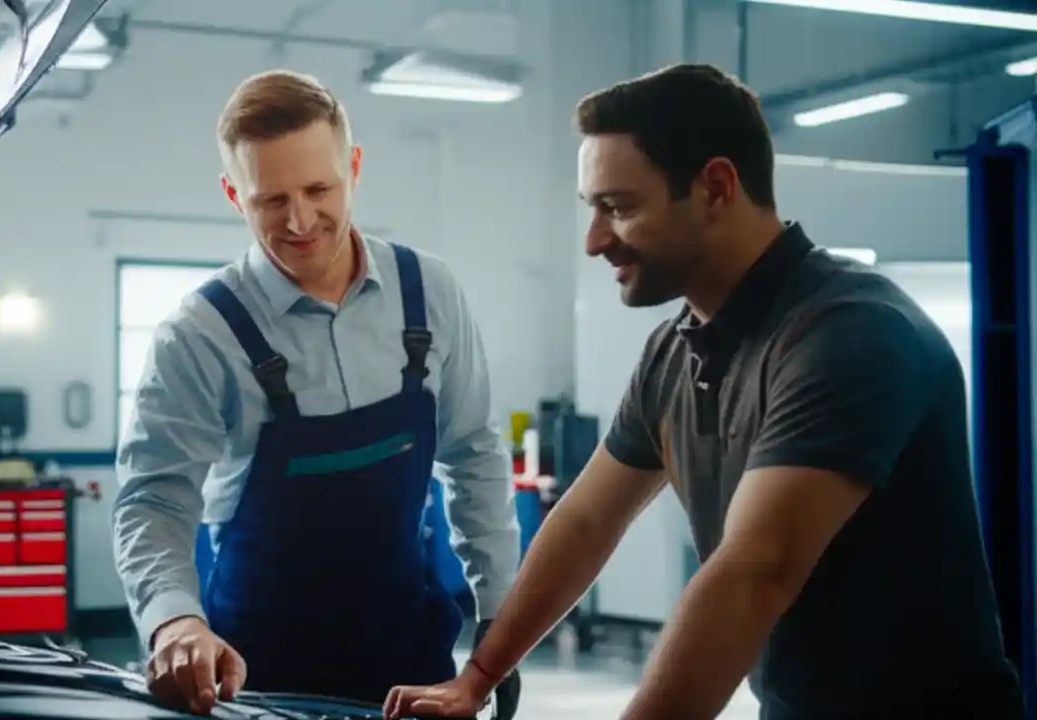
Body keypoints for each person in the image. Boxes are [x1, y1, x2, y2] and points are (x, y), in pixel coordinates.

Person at [384, 63, 1026, 719]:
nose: (594, 241)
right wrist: (479, 676)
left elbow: (752, 575)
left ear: (716, 188)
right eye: (592, 210)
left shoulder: (850, 335)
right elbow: (585, 521)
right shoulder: (675, 349)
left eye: (619, 207)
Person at [112, 69, 522, 717]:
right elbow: (155, 501)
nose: (300, 221)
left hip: (410, 664)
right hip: (254, 673)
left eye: (318, 189)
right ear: (231, 194)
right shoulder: (198, 334)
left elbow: (473, 455)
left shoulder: (431, 292)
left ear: (353, 167)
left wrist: (501, 615)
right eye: (270, 200)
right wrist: (175, 624)